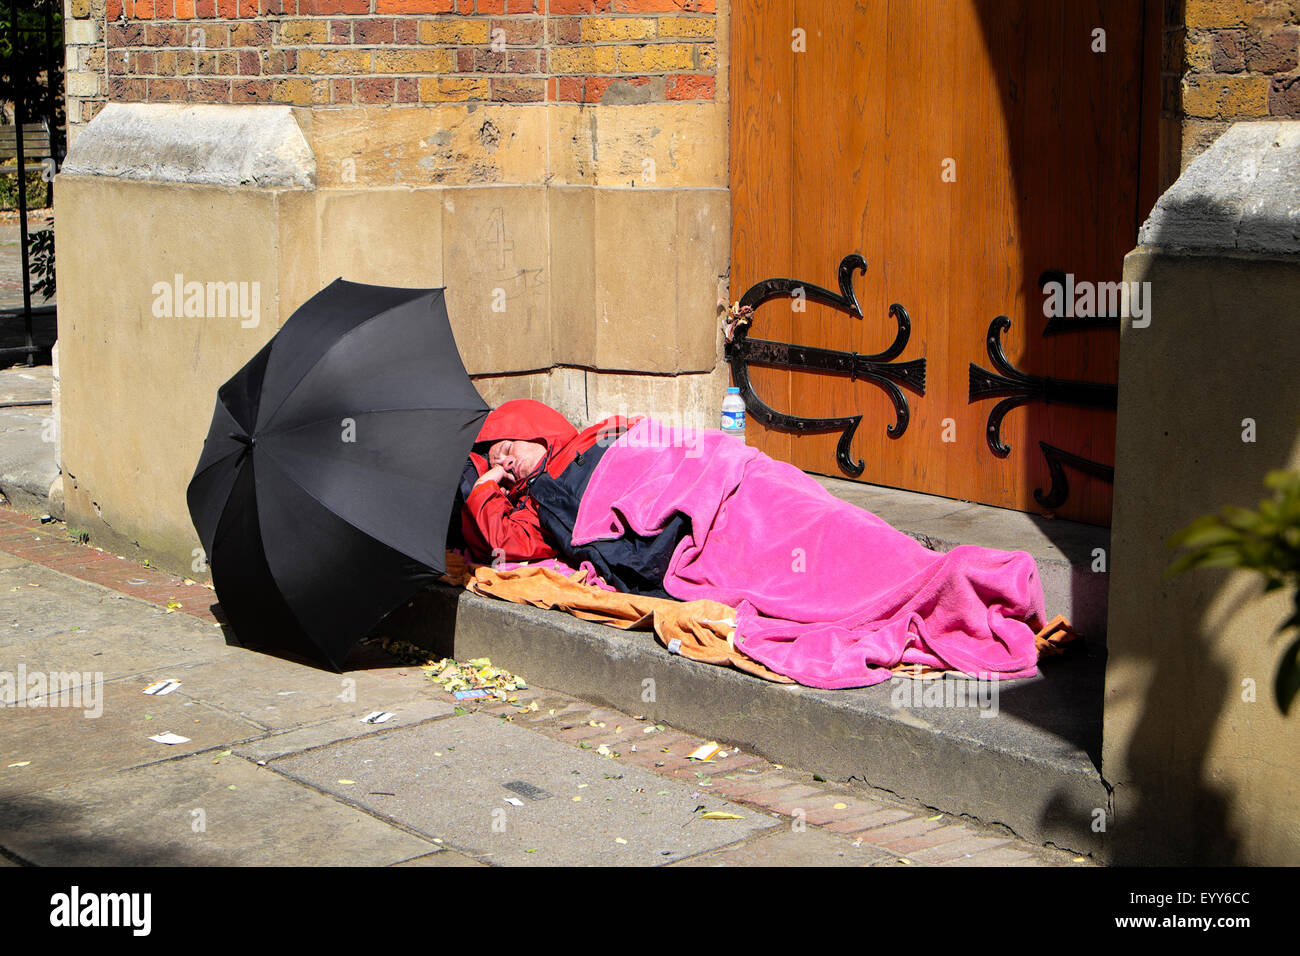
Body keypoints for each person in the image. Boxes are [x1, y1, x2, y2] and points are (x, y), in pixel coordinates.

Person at [459, 399, 637, 565]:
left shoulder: (595, 436)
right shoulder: (534, 506)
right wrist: (484, 486)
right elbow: (498, 543)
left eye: (508, 449)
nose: (507, 464)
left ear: (530, 429)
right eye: (501, 470)